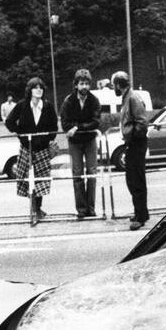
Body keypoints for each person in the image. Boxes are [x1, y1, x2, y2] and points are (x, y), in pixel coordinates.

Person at [6, 76, 59, 226]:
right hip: (27, 148)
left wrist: (47, 139)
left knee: (41, 180)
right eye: (35, 87)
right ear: (30, 90)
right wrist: (21, 134)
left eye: (41, 87)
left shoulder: (47, 106)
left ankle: (38, 208)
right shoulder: (22, 105)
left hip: (42, 148)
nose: (39, 90)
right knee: (28, 179)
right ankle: (35, 209)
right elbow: (9, 122)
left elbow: (54, 126)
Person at [59, 68, 101, 220]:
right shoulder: (68, 101)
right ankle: (81, 209)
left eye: (87, 84)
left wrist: (77, 127)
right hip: (75, 143)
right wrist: (79, 126)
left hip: (90, 141)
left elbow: (96, 122)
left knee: (92, 174)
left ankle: (91, 208)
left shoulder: (94, 100)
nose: (84, 87)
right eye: (81, 84)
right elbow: (65, 123)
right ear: (76, 85)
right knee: (77, 175)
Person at [112, 70, 149, 231]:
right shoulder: (127, 97)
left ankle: (140, 216)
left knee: (136, 180)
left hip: (136, 143)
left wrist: (131, 136)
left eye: (114, 85)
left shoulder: (132, 98)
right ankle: (140, 212)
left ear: (119, 85)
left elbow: (142, 123)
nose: (114, 88)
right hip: (132, 142)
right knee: (132, 179)